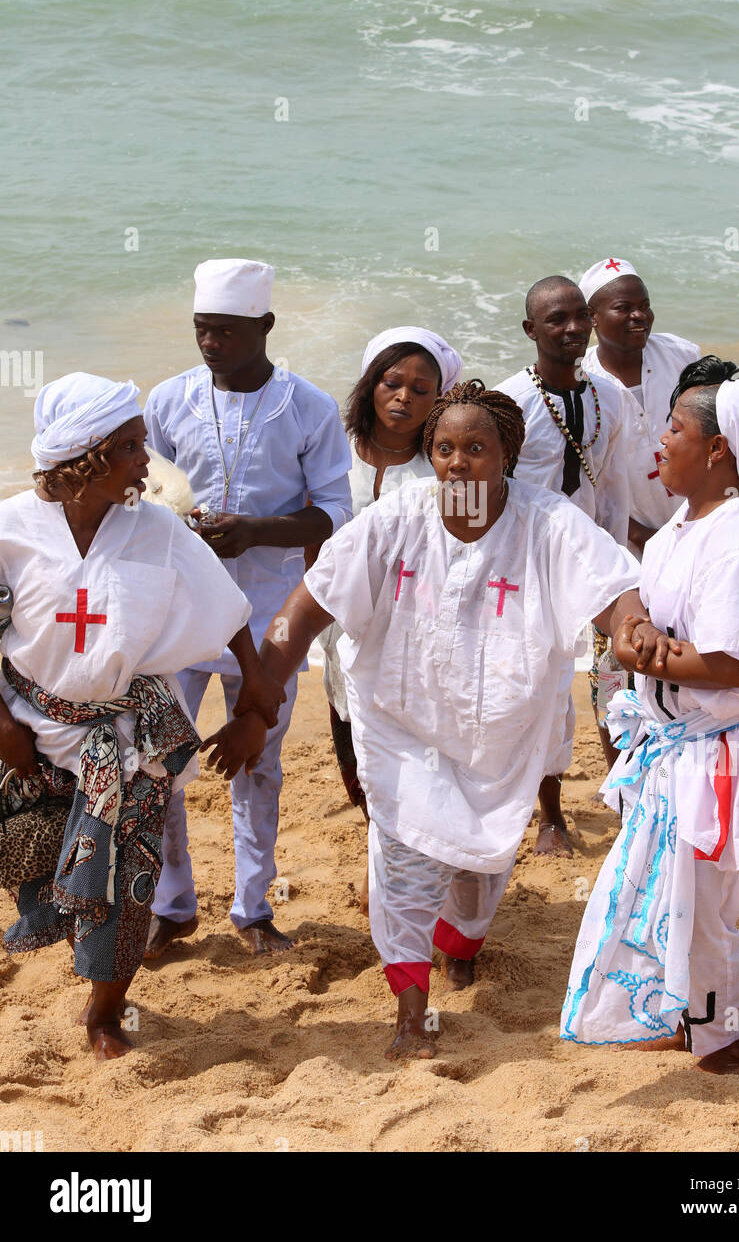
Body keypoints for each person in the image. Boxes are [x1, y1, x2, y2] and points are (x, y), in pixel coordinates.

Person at [202, 380, 643, 1060]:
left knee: (481, 869)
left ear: (507, 455)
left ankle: (461, 944)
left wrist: (633, 627)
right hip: (401, 727)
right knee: (404, 865)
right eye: (443, 448)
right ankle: (411, 1016)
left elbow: (612, 589)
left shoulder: (547, 523)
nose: (457, 463)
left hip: (503, 735)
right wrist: (259, 706)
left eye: (475, 448)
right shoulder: (396, 521)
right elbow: (306, 607)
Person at [0, 374, 280, 1060]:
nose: (146, 464)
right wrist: (5, 727)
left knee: (125, 881)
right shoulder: (9, 529)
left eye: (142, 443)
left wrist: (255, 704)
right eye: (129, 447)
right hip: (26, 718)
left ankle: (104, 1013)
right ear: (83, 459)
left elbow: (231, 612)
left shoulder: (156, 529)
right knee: (30, 851)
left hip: (130, 733)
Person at [561, 357, 739, 1076]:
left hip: (732, 747)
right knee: (681, 894)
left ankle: (724, 1041)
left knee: (705, 906)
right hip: (690, 743)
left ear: (717, 451)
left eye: (674, 428)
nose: (659, 441)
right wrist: (632, 624)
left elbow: (730, 666)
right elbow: (643, 600)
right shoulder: (685, 522)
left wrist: (645, 660)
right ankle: (691, 1019)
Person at [143, 259, 352, 958]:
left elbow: (333, 514)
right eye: (202, 330)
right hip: (180, 613)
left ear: (264, 327)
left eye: (226, 332)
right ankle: (172, 905)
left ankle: (253, 906)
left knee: (259, 761)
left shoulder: (310, 408)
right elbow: (146, 500)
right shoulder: (168, 402)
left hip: (270, 617)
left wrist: (256, 530)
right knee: (163, 760)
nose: (210, 344)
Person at [317, 327, 462, 899]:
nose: (403, 397)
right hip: (340, 635)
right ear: (370, 385)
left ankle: (421, 880)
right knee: (355, 756)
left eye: (421, 389)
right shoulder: (331, 451)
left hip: (418, 640)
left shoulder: (441, 468)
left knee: (421, 763)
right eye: (391, 382)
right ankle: (389, 857)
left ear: (437, 401)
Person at [497, 276, 631, 849]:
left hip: (594, 560)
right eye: (557, 319)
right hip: (527, 567)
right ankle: (549, 814)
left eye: (580, 315)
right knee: (542, 689)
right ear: (531, 330)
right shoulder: (511, 404)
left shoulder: (609, 396)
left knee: (617, 676)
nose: (574, 328)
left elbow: (616, 485)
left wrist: (621, 564)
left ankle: (626, 793)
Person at [580, 257, 700, 558]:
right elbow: (587, 479)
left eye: (645, 306)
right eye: (624, 308)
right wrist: (639, 534)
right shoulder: (582, 381)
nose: (640, 316)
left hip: (697, 526)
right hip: (626, 543)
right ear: (592, 316)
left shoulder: (681, 356)